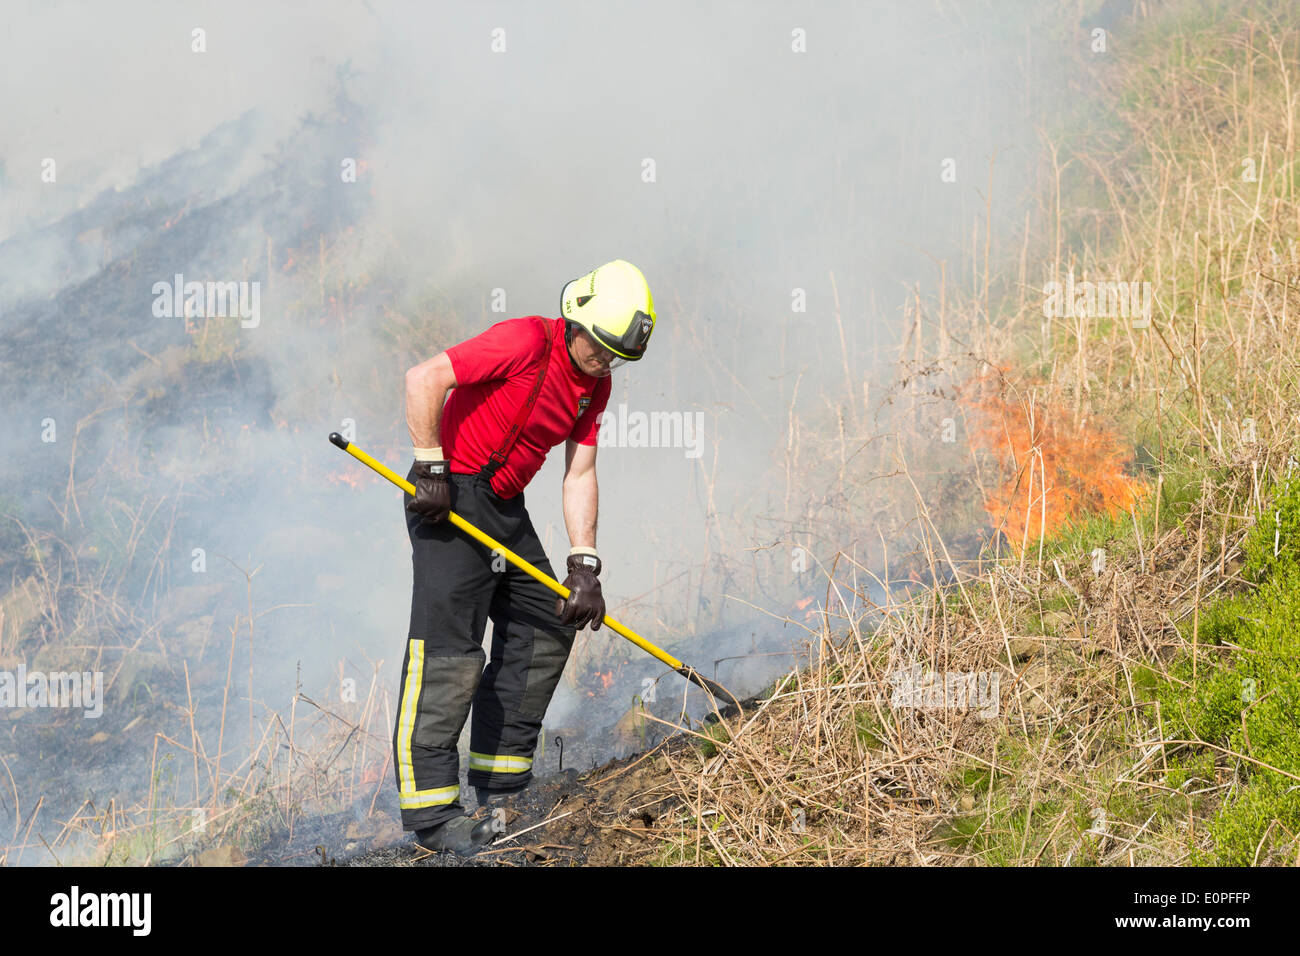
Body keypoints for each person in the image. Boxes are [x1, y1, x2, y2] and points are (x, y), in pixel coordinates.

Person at [394, 259, 657, 854]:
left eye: (618, 355)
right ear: (576, 321)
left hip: (504, 507)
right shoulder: (523, 340)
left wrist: (583, 563)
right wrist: (430, 464)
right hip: (450, 499)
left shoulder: (597, 385)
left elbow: (579, 470)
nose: (606, 362)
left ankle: (501, 783)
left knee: (547, 618)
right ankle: (433, 817)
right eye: (602, 349)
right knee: (450, 651)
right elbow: (424, 378)